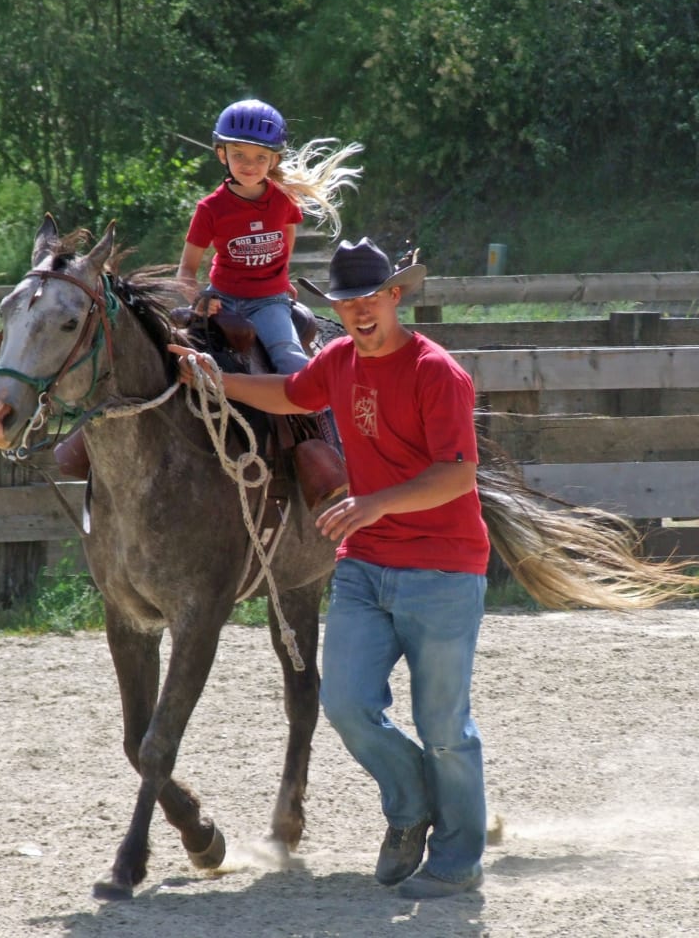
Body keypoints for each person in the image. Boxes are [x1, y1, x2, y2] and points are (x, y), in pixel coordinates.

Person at [170, 238, 491, 900]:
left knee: (444, 729)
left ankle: (457, 859)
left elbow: (459, 472)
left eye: (369, 297)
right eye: (346, 302)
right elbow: (289, 392)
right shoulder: (338, 361)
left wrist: (372, 504)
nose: (358, 311)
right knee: (345, 703)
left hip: (443, 568)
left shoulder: (438, 373)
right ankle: (411, 808)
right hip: (366, 565)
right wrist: (215, 377)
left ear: (396, 295)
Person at [178, 100, 362, 506]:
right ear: (221, 154)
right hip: (222, 301)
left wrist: (281, 284)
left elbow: (286, 243)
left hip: (267, 302)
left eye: (260, 157)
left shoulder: (281, 201)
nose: (249, 164)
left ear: (274, 160)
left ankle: (332, 447)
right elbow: (186, 272)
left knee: (294, 363)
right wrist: (199, 300)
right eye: (239, 154)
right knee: (166, 358)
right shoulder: (209, 209)